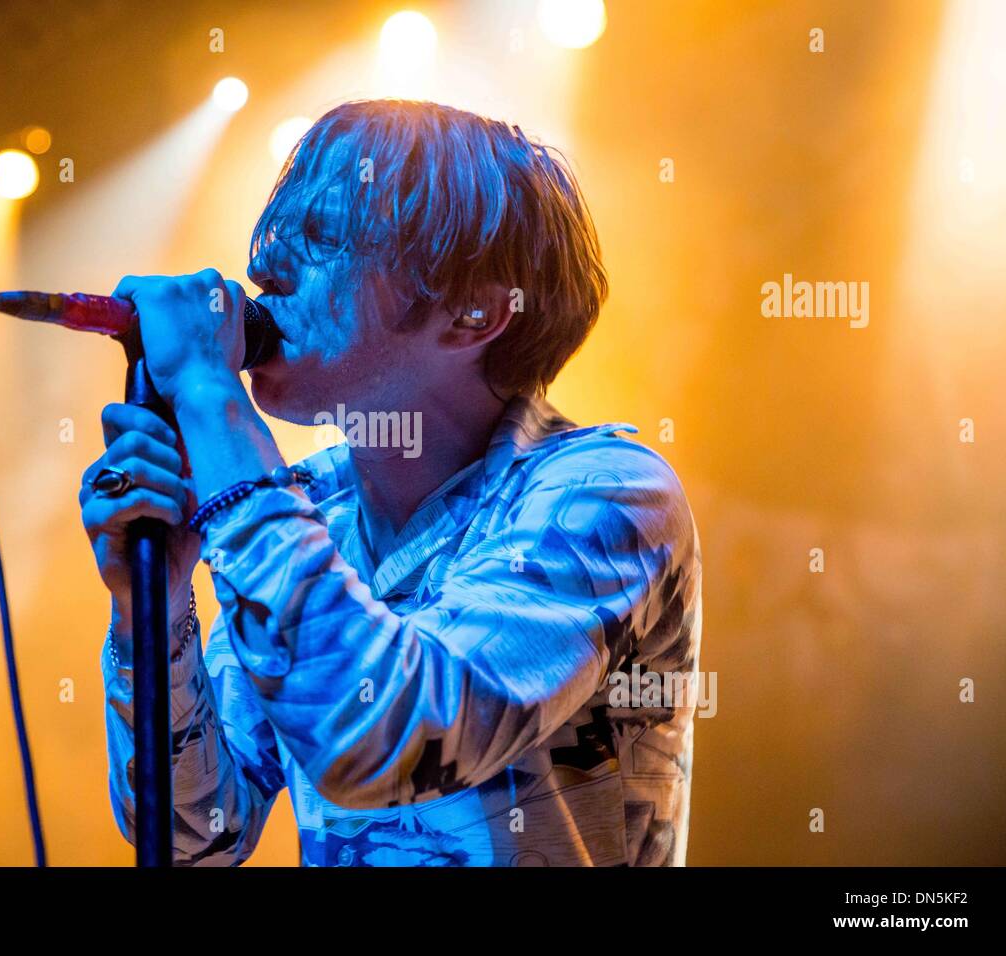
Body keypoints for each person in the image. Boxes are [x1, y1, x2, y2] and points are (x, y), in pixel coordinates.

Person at [80, 99, 702, 866]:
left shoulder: (604, 496)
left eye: (325, 235)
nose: (265, 269)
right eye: (276, 233)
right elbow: (195, 835)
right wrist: (157, 611)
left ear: (474, 312)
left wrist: (210, 394)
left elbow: (383, 739)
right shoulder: (307, 508)